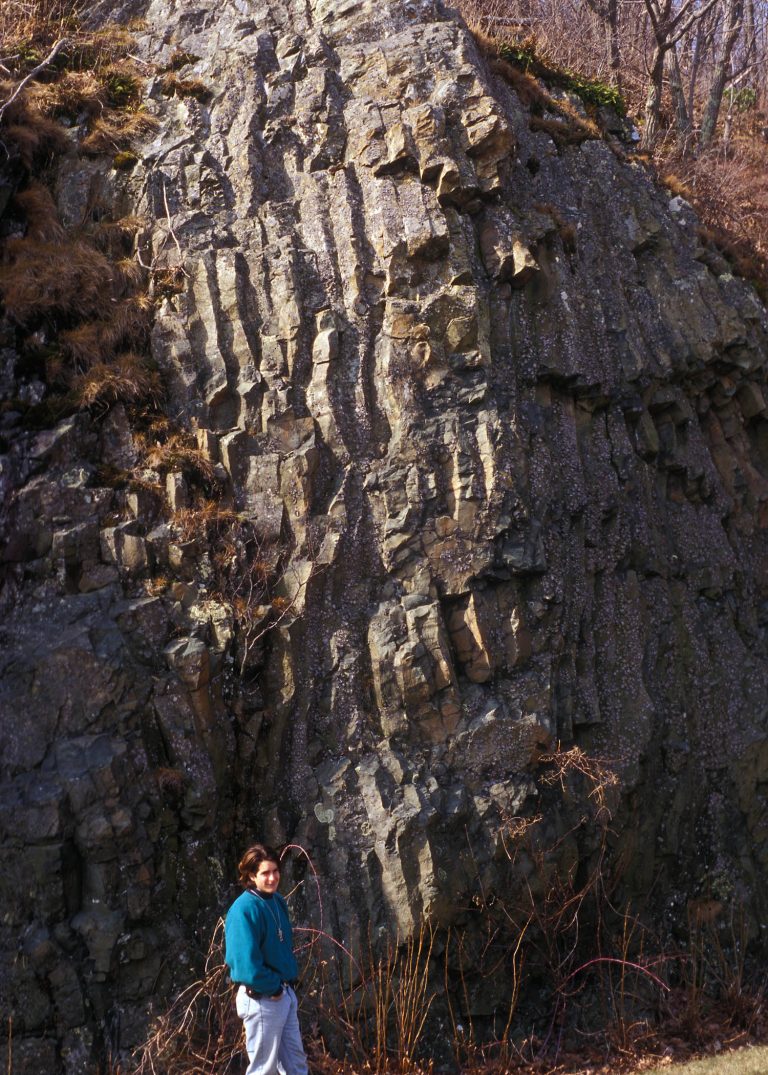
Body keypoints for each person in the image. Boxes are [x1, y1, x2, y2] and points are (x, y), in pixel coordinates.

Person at [224, 844, 308, 1075]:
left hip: (284, 993)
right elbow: (243, 965)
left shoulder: (277, 901)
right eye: (265, 873)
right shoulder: (243, 909)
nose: (272, 878)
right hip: (262, 997)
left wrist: (286, 989)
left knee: (296, 1065)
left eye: (275, 871)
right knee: (264, 1070)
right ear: (251, 875)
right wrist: (274, 988)